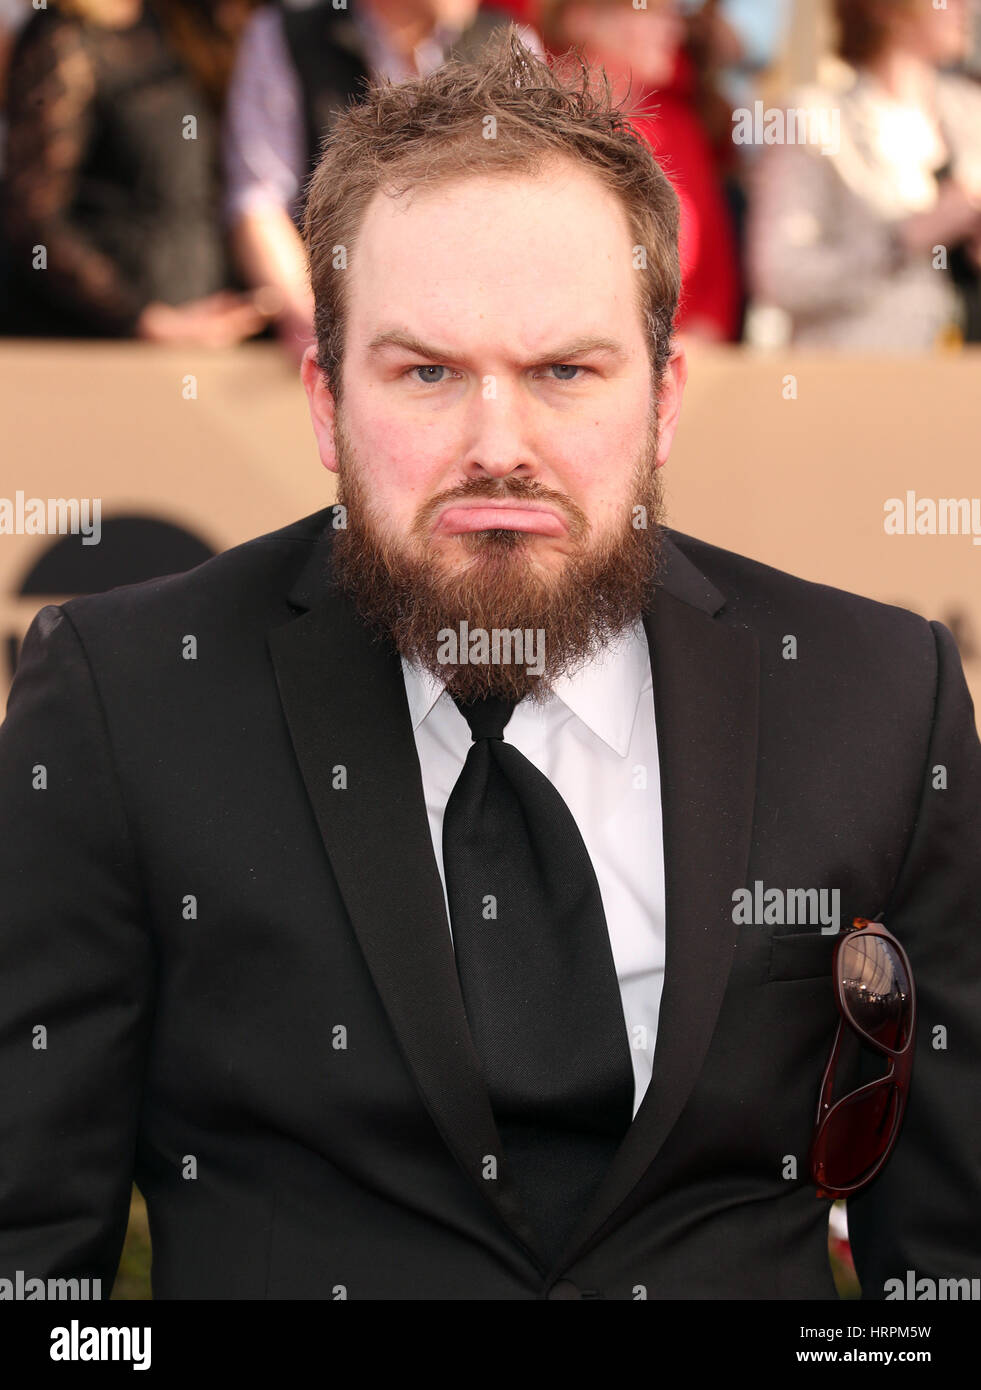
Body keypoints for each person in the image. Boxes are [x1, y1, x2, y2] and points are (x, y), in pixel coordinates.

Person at [0, 24, 979, 1300]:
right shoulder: (127, 698)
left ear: (668, 397)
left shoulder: (875, 696)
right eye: (427, 371)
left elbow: (947, 1269)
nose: (497, 444)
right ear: (323, 399)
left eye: (565, 369)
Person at [224, 0, 543, 361]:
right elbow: (259, 202)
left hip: (473, 344)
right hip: (327, 345)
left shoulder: (509, 44)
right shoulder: (288, 34)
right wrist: (318, 325)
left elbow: (527, 209)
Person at [1, 0, 269, 343]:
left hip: (209, 334)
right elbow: (32, 215)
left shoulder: (177, 24)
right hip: (102, 350)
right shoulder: (63, 38)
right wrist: (145, 319)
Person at [747, 0, 981, 351]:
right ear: (885, 8)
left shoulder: (971, 113)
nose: (965, 7)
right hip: (859, 384)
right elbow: (780, 275)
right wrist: (901, 242)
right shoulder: (813, 118)